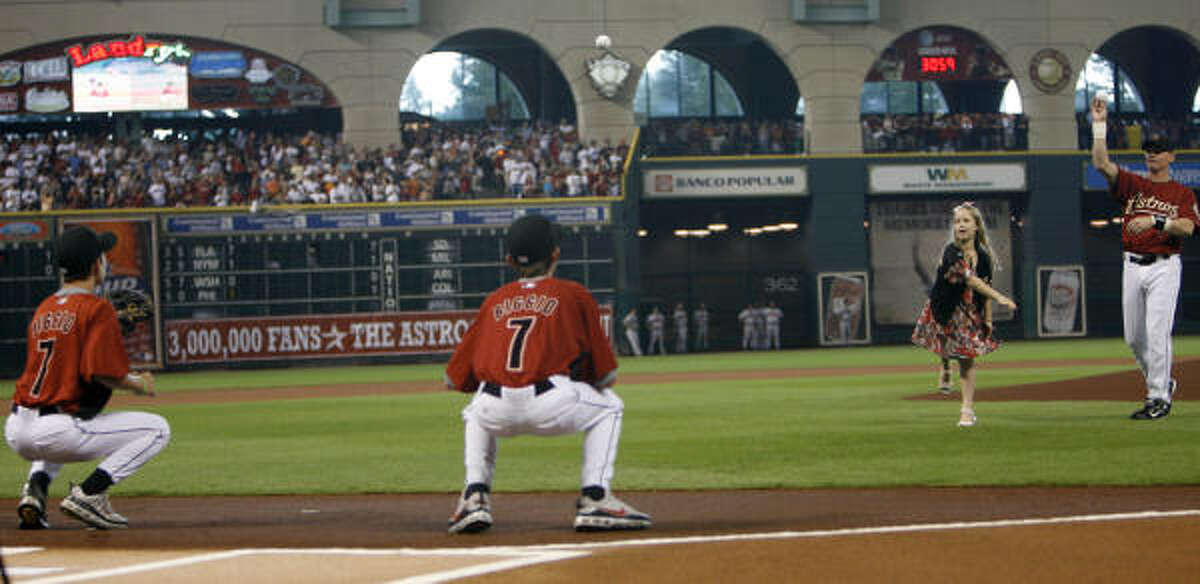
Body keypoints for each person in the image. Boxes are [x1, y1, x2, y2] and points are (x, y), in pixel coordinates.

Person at [443, 214, 650, 533]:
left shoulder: (493, 301)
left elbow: (454, 380)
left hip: (495, 407)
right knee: (610, 406)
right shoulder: (573, 294)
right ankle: (595, 496)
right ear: (555, 253)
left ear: (509, 260)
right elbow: (606, 376)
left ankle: (474, 496)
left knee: (475, 409)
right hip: (551, 401)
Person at [6, 225, 169, 530]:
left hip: (17, 427)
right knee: (158, 429)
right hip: (55, 430)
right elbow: (104, 373)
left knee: (61, 424)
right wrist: (139, 385)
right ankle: (90, 493)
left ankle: (35, 491)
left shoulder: (45, 307)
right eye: (103, 256)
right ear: (96, 264)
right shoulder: (97, 308)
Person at [1090, 96, 1198, 420]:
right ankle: (1164, 381)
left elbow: (1188, 228)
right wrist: (1098, 126)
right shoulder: (1134, 184)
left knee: (1157, 331)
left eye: (1159, 150)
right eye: (1149, 150)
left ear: (1171, 156)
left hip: (1164, 265)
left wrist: (1156, 220)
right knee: (1134, 337)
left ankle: (1158, 397)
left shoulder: (1182, 193)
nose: (1152, 154)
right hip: (1132, 264)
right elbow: (1101, 164)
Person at [912, 203, 1017, 427]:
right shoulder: (951, 252)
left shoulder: (984, 257)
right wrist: (1000, 297)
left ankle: (967, 410)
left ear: (976, 226)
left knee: (967, 359)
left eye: (966, 221)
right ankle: (945, 366)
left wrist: (988, 319)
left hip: (968, 311)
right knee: (945, 347)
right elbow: (971, 280)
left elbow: (984, 287)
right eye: (958, 221)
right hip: (943, 307)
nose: (961, 225)